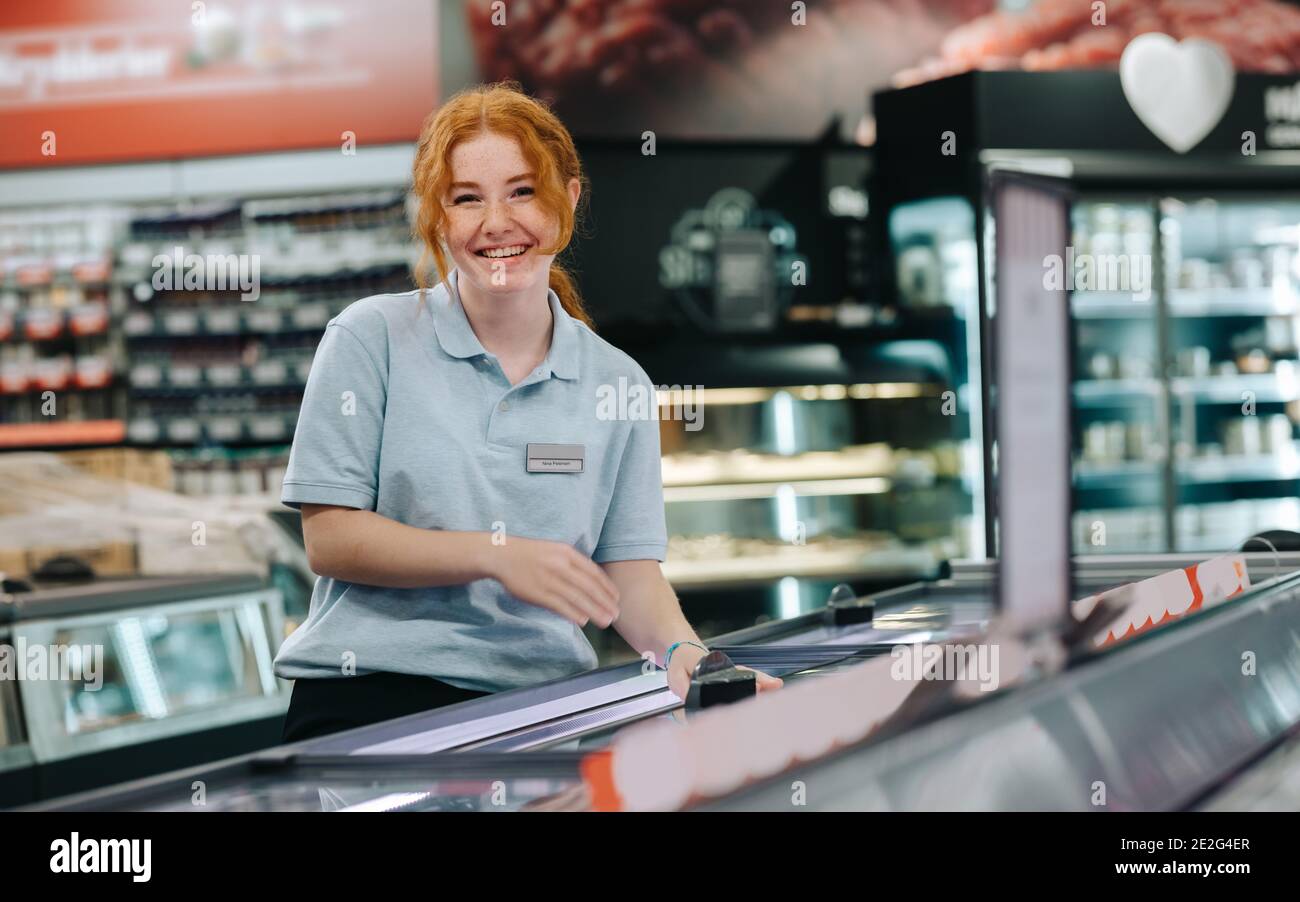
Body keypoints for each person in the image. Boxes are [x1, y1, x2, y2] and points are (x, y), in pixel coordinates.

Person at [274, 82, 781, 743]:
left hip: (539, 714)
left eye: (522, 191)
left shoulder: (617, 380)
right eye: (466, 198)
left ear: (567, 198)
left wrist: (690, 658)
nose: (495, 222)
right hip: (369, 706)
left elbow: (626, 571)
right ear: (437, 216)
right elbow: (331, 539)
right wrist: (494, 554)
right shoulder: (370, 338)